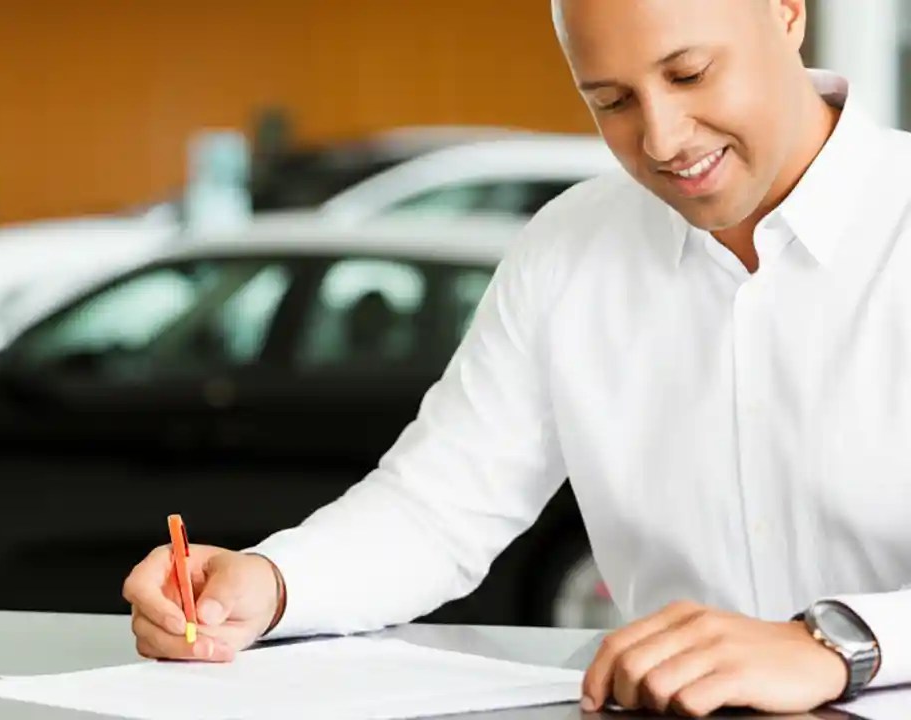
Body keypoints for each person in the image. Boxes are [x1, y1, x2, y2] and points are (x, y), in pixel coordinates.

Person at [122, 0, 911, 715]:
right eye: (610, 100)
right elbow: (437, 509)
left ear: (786, 12)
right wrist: (270, 585)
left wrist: (837, 644)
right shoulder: (567, 249)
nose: (663, 138)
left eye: (690, 73)